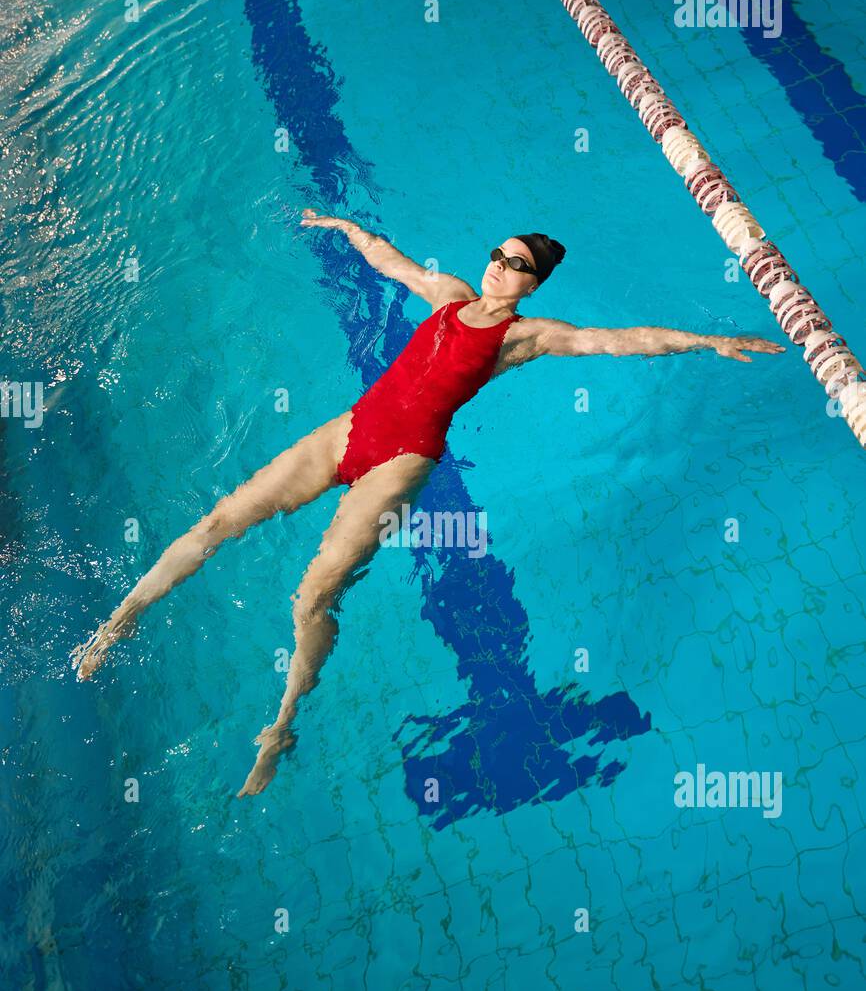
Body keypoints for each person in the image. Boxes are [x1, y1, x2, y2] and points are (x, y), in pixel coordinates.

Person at [71, 211, 784, 795]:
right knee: (221, 520)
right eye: (496, 254)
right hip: (348, 431)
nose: (499, 268)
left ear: (533, 286)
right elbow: (394, 262)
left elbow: (617, 341)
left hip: (401, 461)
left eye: (515, 266)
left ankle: (279, 726)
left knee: (312, 599)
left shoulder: (524, 335)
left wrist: (707, 341)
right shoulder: (447, 297)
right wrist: (342, 225)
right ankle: (119, 622)